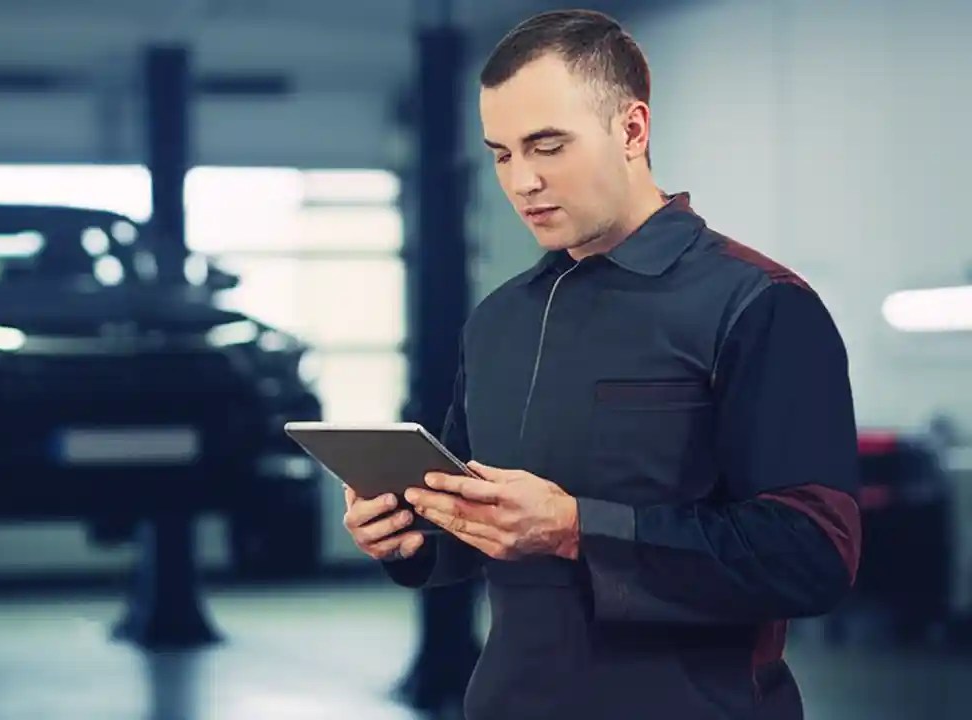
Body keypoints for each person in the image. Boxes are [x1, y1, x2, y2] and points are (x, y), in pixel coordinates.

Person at [341, 8, 861, 720]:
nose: (522, 180)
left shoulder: (760, 304)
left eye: (547, 146)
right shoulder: (498, 321)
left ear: (632, 130)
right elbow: (470, 530)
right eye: (501, 153)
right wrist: (404, 534)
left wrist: (575, 526)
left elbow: (813, 557)